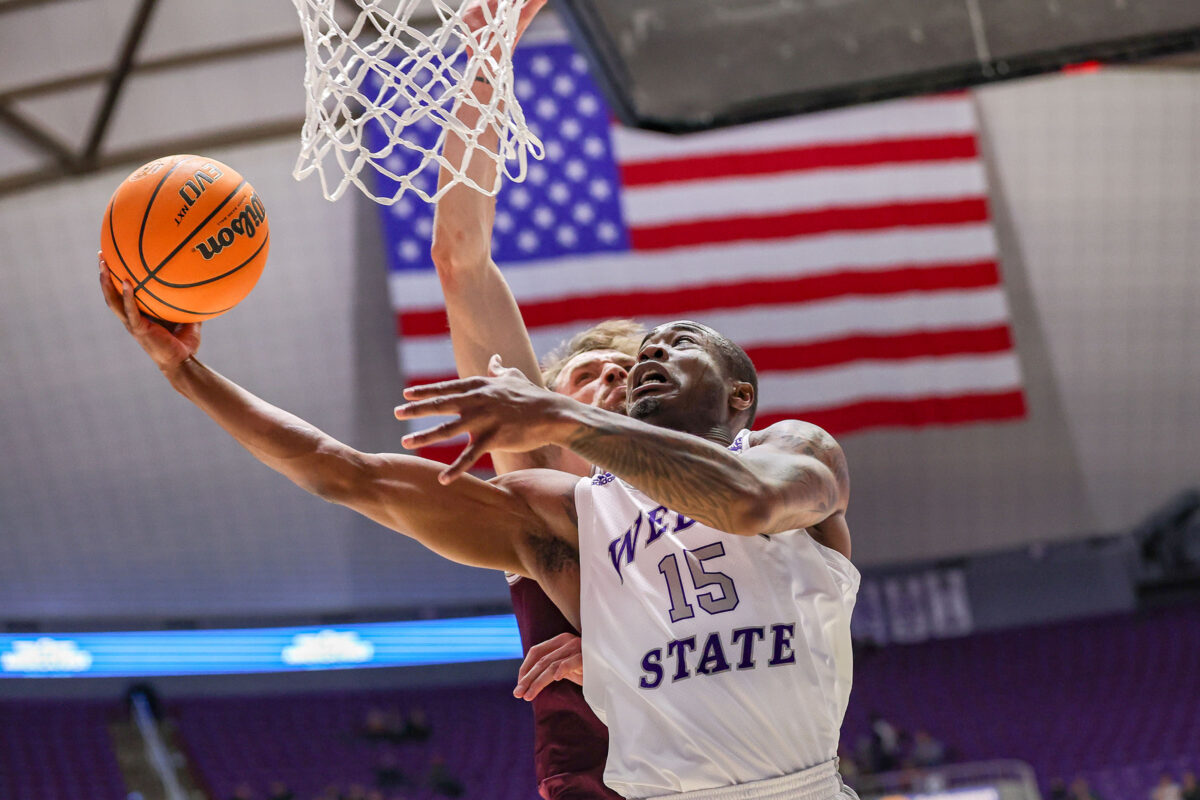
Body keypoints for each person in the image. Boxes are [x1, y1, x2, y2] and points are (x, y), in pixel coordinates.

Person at [101, 237, 856, 798]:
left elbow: (746, 502)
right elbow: (346, 473)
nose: (649, 356)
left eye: (678, 344)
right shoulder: (570, 515)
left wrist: (563, 417)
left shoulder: (792, 449)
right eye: (641, 354)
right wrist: (185, 373)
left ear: (739, 395)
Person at [428, 1, 636, 797]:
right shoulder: (537, 472)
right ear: (540, 408)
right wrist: (488, 56)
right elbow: (461, 258)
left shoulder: (707, 489)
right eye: (588, 374)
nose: (611, 382)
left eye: (630, 377)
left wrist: (624, 657)